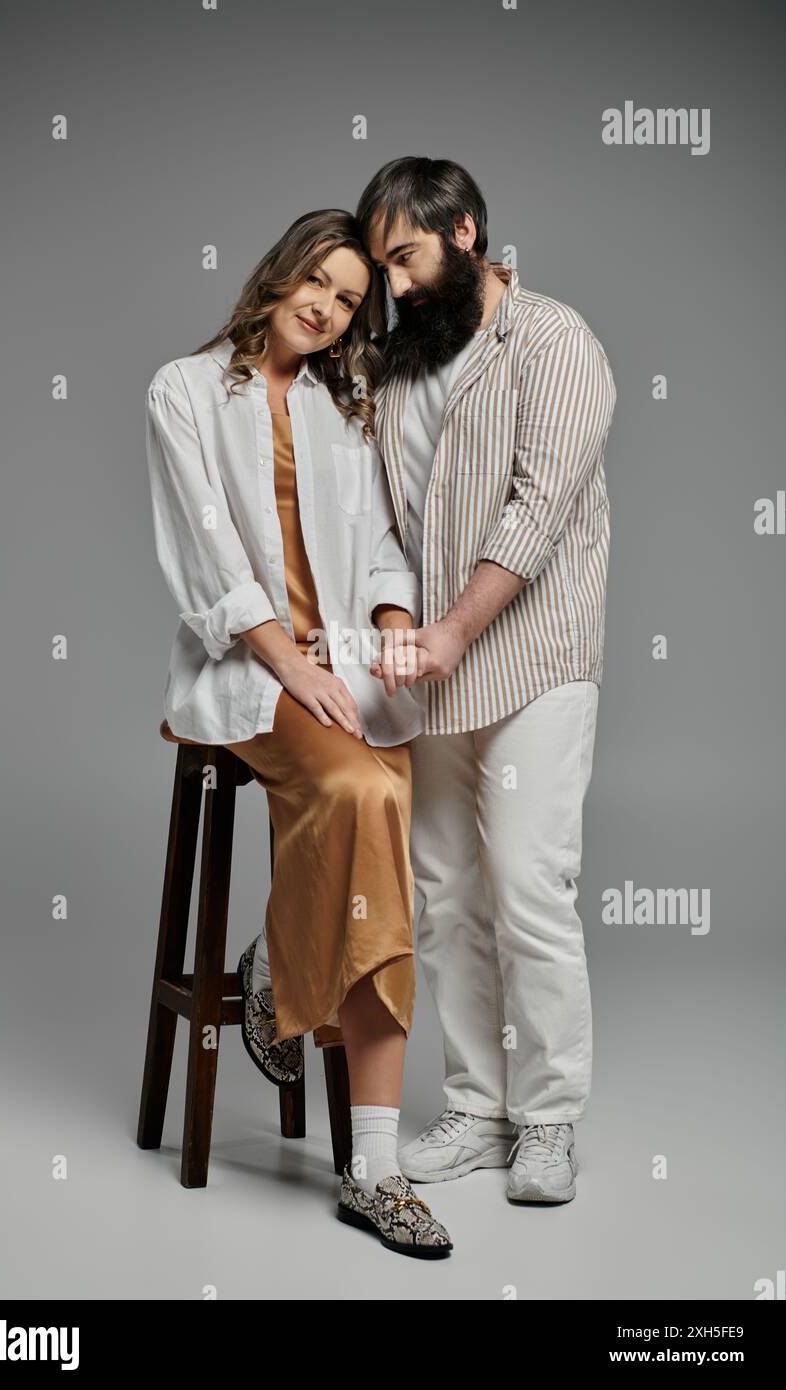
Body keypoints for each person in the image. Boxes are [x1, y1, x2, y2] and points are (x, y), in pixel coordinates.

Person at [145, 208, 452, 1256]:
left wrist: (394, 629)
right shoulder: (183, 392)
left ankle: (288, 977)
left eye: (348, 300)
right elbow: (206, 561)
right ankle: (370, 1159)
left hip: (345, 667)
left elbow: (377, 550)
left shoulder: (339, 408)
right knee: (367, 797)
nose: (325, 309)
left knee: (390, 803)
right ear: (277, 275)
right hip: (249, 665)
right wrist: (289, 664)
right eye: (314, 284)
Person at [353, 156, 618, 1205]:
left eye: (407, 256)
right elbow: (378, 511)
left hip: (533, 656)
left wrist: (455, 628)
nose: (395, 286)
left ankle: (547, 1120)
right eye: (381, 268)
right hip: (430, 669)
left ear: (463, 231)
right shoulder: (397, 363)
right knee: (445, 895)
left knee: (527, 886)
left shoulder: (554, 339)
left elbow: (538, 502)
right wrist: (398, 625)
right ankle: (475, 1104)